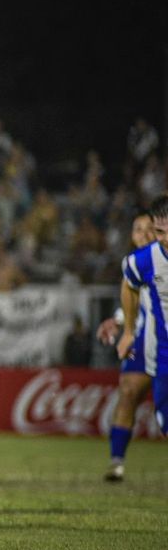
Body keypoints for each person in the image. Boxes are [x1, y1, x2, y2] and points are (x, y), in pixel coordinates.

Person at [96, 211, 155, 481]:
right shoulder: (135, 264)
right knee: (128, 391)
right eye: (137, 229)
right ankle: (116, 462)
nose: (142, 235)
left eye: (148, 229)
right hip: (144, 339)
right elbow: (137, 301)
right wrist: (119, 322)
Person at [116, 198, 168, 456]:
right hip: (159, 352)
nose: (164, 237)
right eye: (159, 232)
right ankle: (116, 461)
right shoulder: (142, 261)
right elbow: (129, 286)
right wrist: (126, 330)